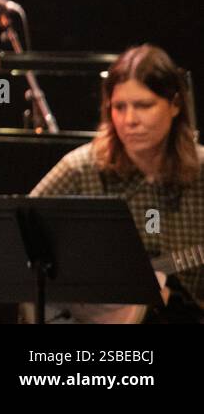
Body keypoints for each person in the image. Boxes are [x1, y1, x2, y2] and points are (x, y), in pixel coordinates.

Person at [30, 43, 203, 323]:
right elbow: (20, 236)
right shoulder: (81, 168)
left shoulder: (200, 172)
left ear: (174, 105)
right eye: (119, 107)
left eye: (144, 105)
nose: (129, 120)